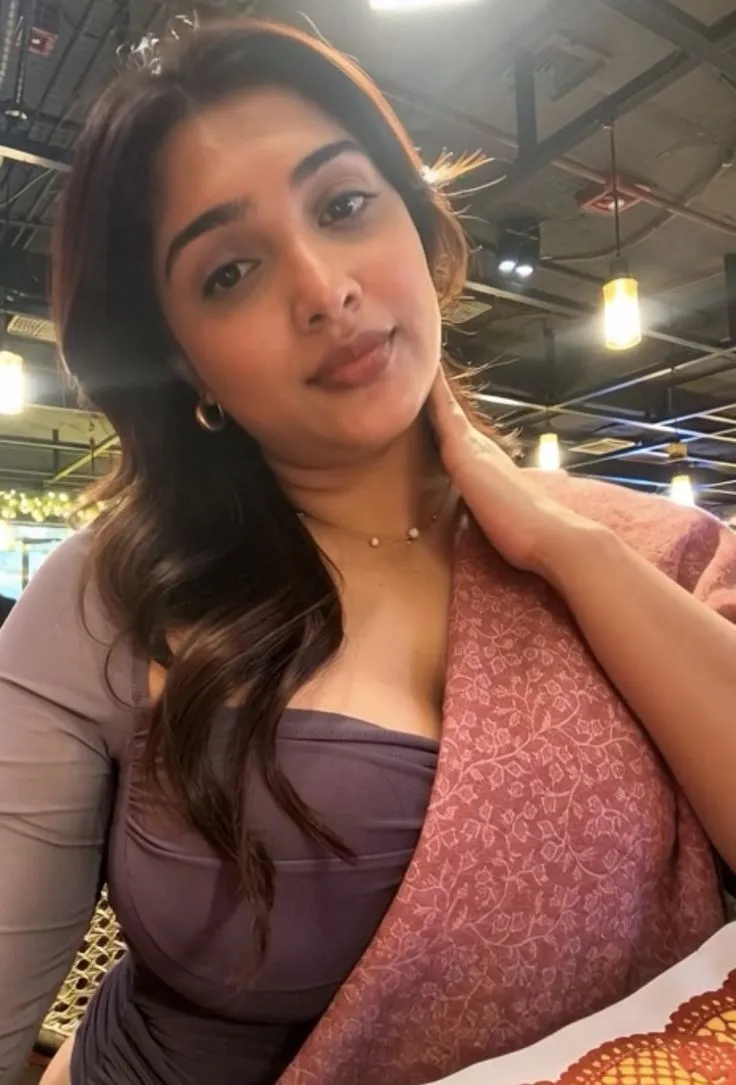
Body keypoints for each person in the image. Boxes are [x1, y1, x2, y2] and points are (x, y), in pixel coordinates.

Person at [0, 16, 734, 1085]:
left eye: (343, 205)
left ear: (418, 225)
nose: (322, 287)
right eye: (229, 272)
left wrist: (568, 549)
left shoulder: (655, 549)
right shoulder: (112, 596)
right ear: (183, 360)